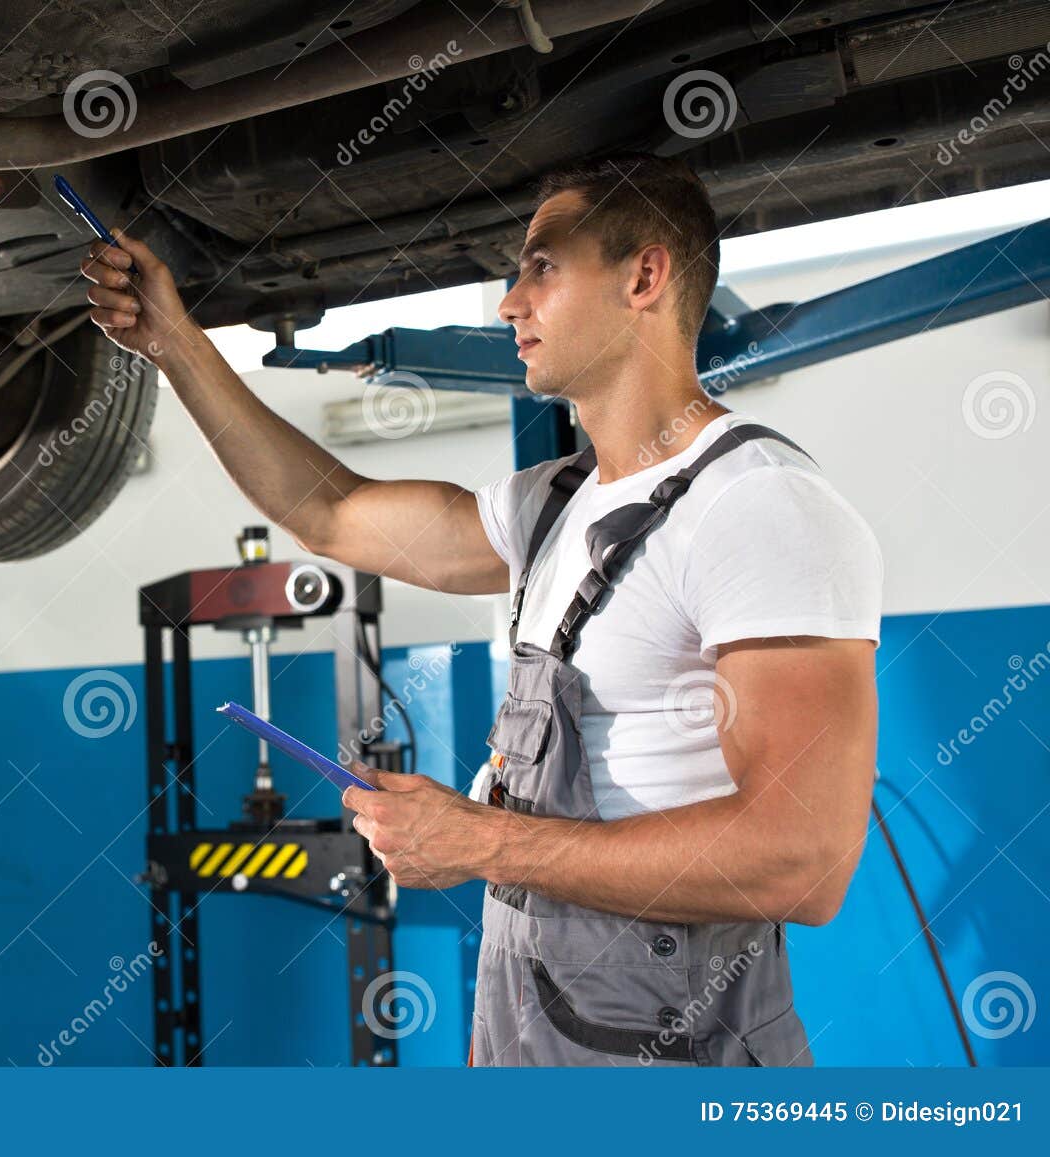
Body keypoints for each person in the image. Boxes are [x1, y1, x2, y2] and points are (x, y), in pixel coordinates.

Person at [79, 152, 882, 1067]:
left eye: (542, 266)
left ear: (644, 277)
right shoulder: (551, 508)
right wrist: (178, 343)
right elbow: (330, 512)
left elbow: (803, 859)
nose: (509, 303)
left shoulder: (757, 504)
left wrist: (482, 841)